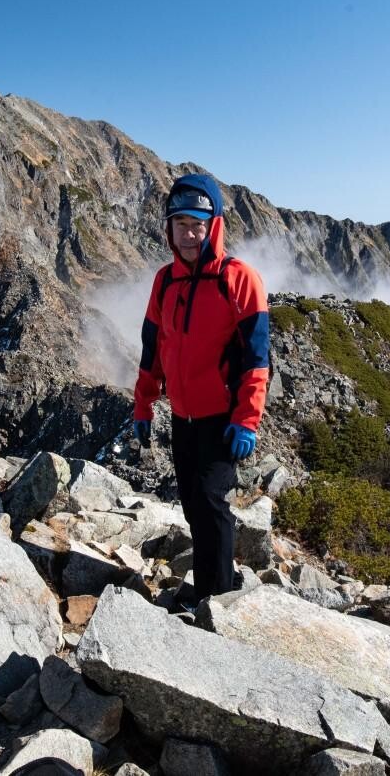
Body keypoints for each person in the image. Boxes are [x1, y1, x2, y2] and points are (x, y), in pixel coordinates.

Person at [132, 173, 270, 606]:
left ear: (214, 227)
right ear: (168, 228)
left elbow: (256, 358)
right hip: (182, 417)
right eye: (180, 224)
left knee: (212, 506)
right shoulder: (165, 281)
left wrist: (247, 420)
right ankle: (209, 586)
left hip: (221, 419)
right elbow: (153, 348)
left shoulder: (239, 278)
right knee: (193, 505)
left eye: (197, 224)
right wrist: (143, 405)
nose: (189, 234)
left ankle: (218, 600)